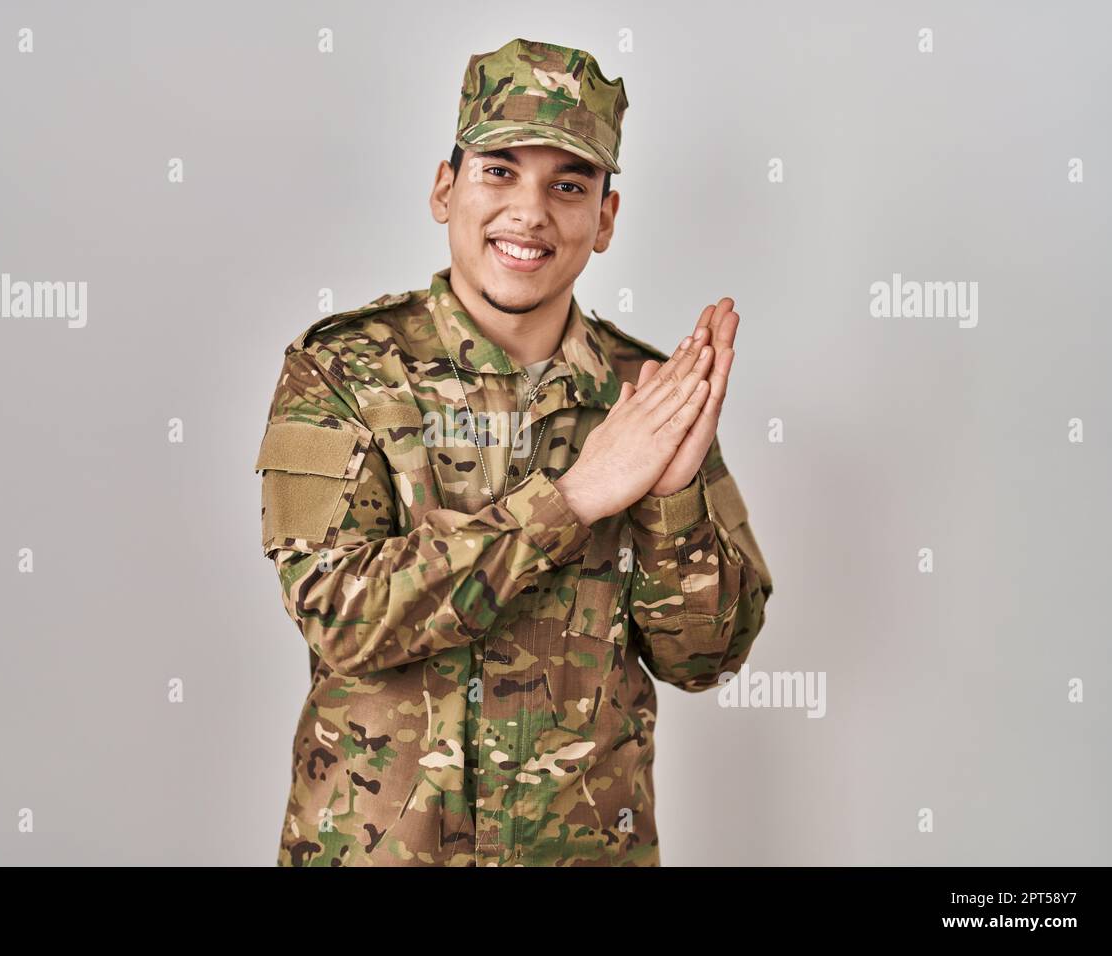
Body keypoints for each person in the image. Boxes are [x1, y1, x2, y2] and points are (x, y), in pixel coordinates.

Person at [255, 37, 773, 866]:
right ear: (444, 188)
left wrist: (672, 501)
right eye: (499, 171)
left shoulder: (646, 392)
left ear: (605, 218)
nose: (530, 212)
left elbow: (706, 659)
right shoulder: (343, 370)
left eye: (568, 185)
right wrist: (572, 499)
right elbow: (340, 615)